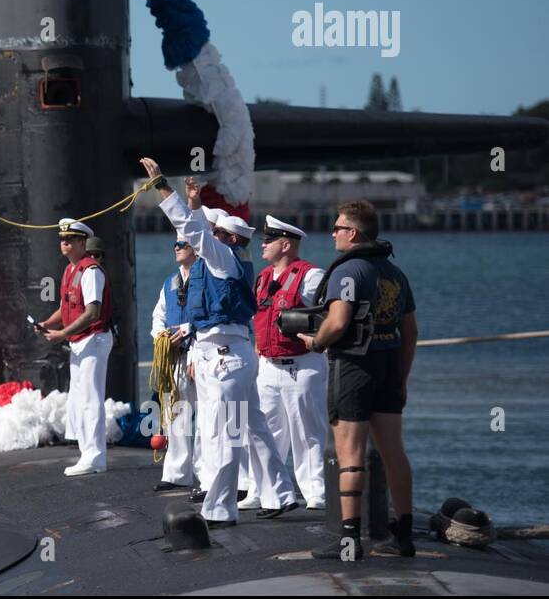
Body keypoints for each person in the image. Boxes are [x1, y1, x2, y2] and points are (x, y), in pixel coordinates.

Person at [139, 157, 297, 528]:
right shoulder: (224, 262)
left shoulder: (223, 258)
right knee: (252, 428)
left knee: (227, 434)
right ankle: (280, 492)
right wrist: (190, 201)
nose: (200, 237)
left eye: (211, 231)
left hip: (224, 360)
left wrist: (165, 185)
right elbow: (192, 229)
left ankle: (221, 508)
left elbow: (189, 227)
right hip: (229, 356)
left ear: (224, 237)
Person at [300, 200, 418, 560]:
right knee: (393, 452)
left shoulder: (347, 271)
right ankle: (405, 536)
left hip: (353, 368)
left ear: (353, 233)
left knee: (350, 456)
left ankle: (349, 542)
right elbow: (410, 332)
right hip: (388, 367)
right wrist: (402, 377)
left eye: (337, 227)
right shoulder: (395, 274)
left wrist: (315, 343)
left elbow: (337, 322)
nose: (332, 233)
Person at [250, 216, 328, 511]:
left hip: (302, 364)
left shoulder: (311, 276)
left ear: (286, 244)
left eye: (269, 241)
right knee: (265, 432)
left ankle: (315, 491)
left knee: (307, 432)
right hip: (268, 365)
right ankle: (264, 489)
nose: (263, 244)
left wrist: (315, 339)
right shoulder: (262, 278)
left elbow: (328, 314)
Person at [37, 218, 114, 477]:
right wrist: (48, 323)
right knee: (79, 399)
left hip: (93, 338)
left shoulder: (91, 271)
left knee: (91, 399)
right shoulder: (70, 271)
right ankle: (87, 452)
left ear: (83, 242)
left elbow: (92, 312)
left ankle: (95, 457)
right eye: (62, 239)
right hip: (78, 341)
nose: (64, 243)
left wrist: (62, 334)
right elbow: (67, 306)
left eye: (70, 239)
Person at [151, 235, 203, 493]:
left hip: (200, 352)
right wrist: (161, 337)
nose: (176, 248)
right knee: (176, 415)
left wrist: (183, 331)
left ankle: (205, 474)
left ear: (195, 247)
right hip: (176, 358)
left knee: (208, 418)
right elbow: (158, 316)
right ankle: (177, 473)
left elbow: (208, 315)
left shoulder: (205, 278)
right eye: (175, 244)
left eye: (182, 244)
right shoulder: (170, 282)